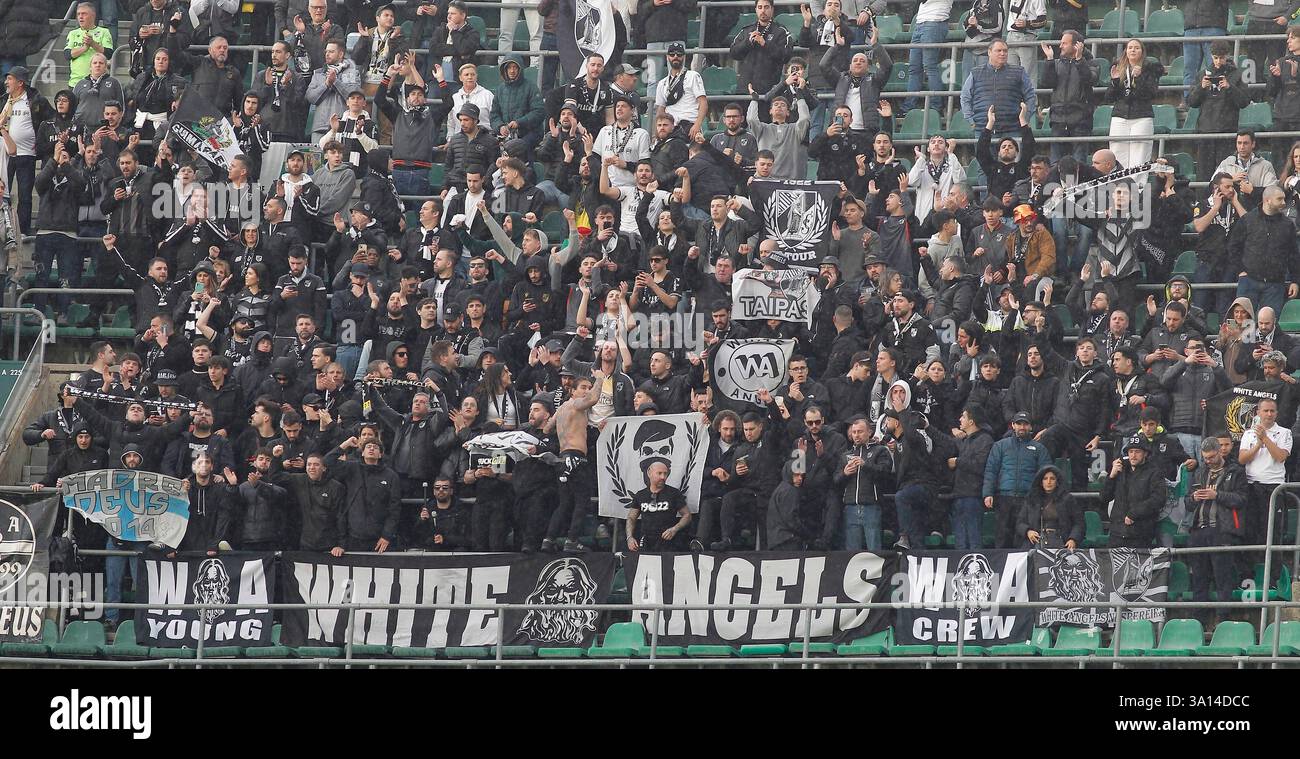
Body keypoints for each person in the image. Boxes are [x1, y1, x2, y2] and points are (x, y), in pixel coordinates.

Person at [1184, 437, 1249, 620]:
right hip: (1198, 530)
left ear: (1220, 451)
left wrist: (1217, 495)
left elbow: (1242, 499)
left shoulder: (1236, 472)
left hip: (1222, 531)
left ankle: (1223, 620)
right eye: (1205, 458)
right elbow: (1187, 502)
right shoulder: (1199, 472)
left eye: (1211, 457)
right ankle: (1198, 621)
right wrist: (1194, 498)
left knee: (1223, 579)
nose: (1208, 461)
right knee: (1198, 579)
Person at [544, 371, 605, 552]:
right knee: (582, 501)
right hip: (577, 459)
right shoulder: (577, 404)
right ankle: (572, 540)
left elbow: (547, 428)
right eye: (583, 387)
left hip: (563, 459)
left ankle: (548, 539)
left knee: (564, 503)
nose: (587, 391)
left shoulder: (562, 409)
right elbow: (594, 399)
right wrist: (599, 378)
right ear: (573, 391)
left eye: (589, 387)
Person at [982, 410, 1052, 548]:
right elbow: (991, 470)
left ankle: (1025, 563)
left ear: (1030, 427)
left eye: (1025, 424)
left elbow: (1046, 473)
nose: (1022, 427)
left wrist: (1042, 497)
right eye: (1019, 424)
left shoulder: (1039, 449)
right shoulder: (1000, 446)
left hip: (1028, 500)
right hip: (1004, 498)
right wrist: (988, 493)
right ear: (1013, 425)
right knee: (1002, 538)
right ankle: (1003, 563)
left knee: (1024, 538)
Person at [1229, 185, 1300, 318]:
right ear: (1268, 200)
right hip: (1249, 280)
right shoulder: (1247, 220)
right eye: (1279, 199)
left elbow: (1293, 255)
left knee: (1270, 323)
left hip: (1275, 283)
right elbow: (1233, 247)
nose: (1284, 203)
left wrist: (1295, 280)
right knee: (1244, 323)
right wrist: (1240, 270)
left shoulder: (1287, 225)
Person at [324, 435, 402, 552]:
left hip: (380, 540)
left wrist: (386, 535)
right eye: (368, 447)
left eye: (375, 447)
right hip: (354, 537)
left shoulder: (391, 476)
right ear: (362, 453)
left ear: (380, 454)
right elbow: (327, 461)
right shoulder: (352, 468)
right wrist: (346, 443)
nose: (371, 449)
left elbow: (394, 509)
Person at [1191, 45, 1252, 174]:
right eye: (1215, 58)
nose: (1218, 61)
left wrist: (1230, 87)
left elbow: (1244, 102)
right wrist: (1201, 87)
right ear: (1211, 56)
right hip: (1205, 131)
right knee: (1204, 175)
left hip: (1227, 131)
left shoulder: (1237, 74)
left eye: (1222, 58)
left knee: (1226, 174)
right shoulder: (1202, 74)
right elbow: (1192, 102)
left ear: (1227, 56)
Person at [1038, 31, 1096, 163]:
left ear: (1077, 45)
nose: (1060, 46)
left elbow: (1089, 80)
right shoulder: (1056, 63)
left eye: (1064, 43)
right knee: (1056, 162)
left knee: (1079, 162)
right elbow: (1046, 82)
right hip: (1058, 119)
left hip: (1080, 119)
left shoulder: (1090, 63)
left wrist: (1079, 60)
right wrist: (1049, 60)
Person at [959, 39, 1036, 137]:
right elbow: (965, 97)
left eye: (1005, 51)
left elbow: (1030, 96)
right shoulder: (975, 73)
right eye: (998, 50)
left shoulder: (1019, 72)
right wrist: (970, 119)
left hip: (1012, 130)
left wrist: (1026, 117)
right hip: (983, 128)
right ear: (989, 52)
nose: (1002, 53)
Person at [1106, 38, 1163, 169]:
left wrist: (1139, 78)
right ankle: (1120, 182)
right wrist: (1115, 81)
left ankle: (1138, 183)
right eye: (1130, 47)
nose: (1133, 50)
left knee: (1140, 157)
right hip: (1120, 117)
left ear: (1142, 52)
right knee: (1118, 155)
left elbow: (1151, 94)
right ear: (1126, 51)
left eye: (1137, 48)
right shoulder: (1118, 68)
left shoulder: (1149, 69)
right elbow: (1109, 97)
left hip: (1142, 117)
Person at [944, 406, 995, 551]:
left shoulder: (985, 440)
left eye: (963, 416)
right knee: (960, 543)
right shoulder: (964, 440)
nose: (960, 419)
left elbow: (980, 465)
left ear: (971, 421)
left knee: (974, 540)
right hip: (958, 495)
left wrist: (957, 461)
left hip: (973, 496)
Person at [1103, 435, 1166, 548]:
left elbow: (1158, 499)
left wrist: (1134, 513)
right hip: (1117, 533)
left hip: (1141, 533)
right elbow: (1104, 497)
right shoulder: (1120, 471)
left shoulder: (1154, 472)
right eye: (1131, 452)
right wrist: (1111, 476)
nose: (1133, 455)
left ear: (1145, 453)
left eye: (1137, 452)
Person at [731, 0, 794, 106]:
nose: (763, 10)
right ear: (756, 9)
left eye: (766, 7)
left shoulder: (781, 31)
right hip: (745, 88)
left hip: (769, 90)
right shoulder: (746, 30)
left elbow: (786, 56)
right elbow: (733, 53)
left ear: (772, 9)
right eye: (760, 7)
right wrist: (748, 42)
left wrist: (765, 44)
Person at [626, 460, 692, 552]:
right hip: (647, 541)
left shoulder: (674, 493)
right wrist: (629, 537)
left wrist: (674, 529)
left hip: (668, 541)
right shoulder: (640, 495)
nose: (663, 477)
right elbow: (631, 517)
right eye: (659, 473)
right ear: (649, 473)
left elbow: (687, 515)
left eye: (665, 474)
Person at [903, 0, 953, 114]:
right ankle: (908, 107)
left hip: (935, 23)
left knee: (929, 67)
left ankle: (936, 107)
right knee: (914, 68)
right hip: (920, 23)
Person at [1016, 464, 1081, 549]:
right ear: (1041, 482)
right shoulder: (1031, 499)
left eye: (1052, 479)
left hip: (1062, 542)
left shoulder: (1068, 499)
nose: (1048, 482)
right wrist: (1028, 532)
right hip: (1035, 543)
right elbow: (1020, 523)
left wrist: (1073, 539)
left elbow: (1079, 523)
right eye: (1045, 479)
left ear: (1057, 482)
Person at [65, 3, 114, 88]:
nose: (80, 17)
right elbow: (67, 55)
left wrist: (93, 44)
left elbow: (108, 54)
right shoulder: (73, 33)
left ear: (93, 15)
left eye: (84, 14)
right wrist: (84, 48)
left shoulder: (104, 32)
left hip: (98, 82)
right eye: (78, 14)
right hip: (76, 83)